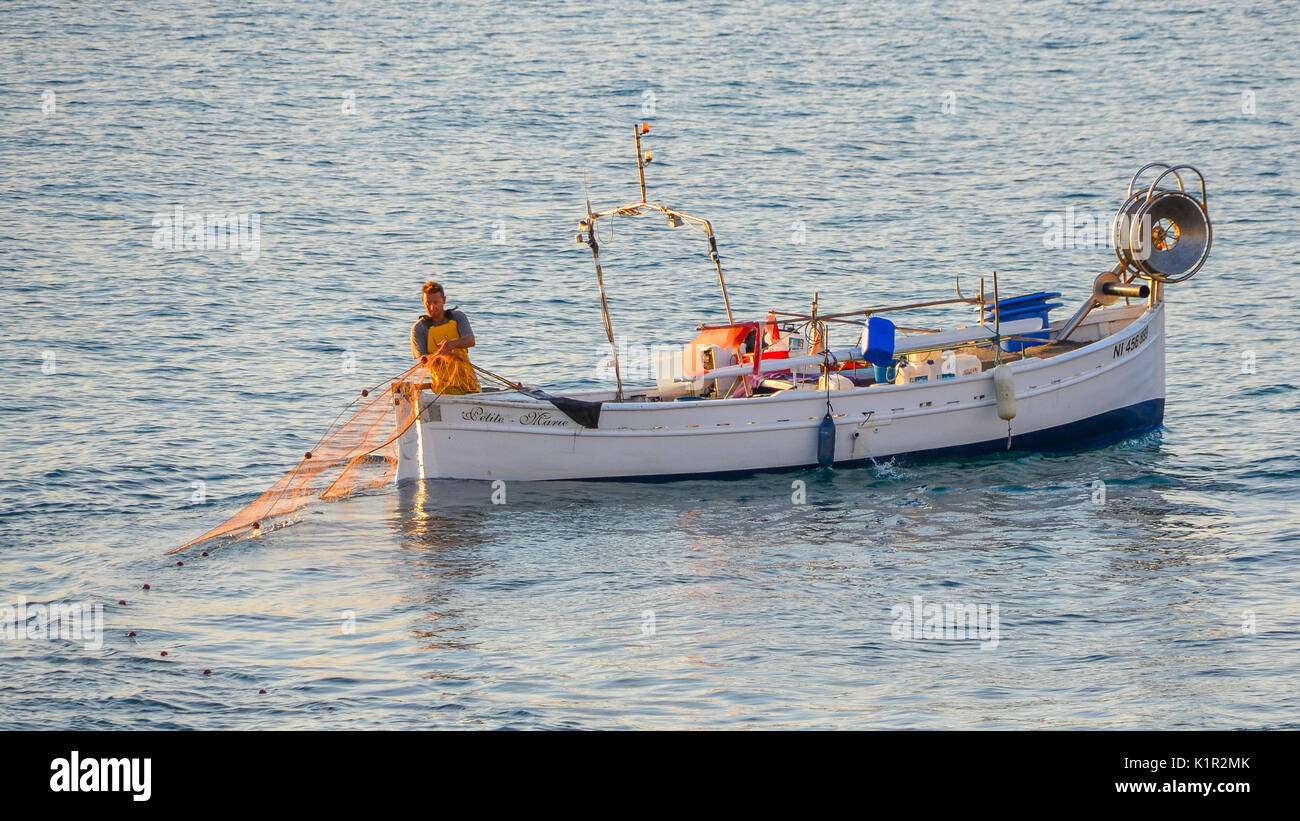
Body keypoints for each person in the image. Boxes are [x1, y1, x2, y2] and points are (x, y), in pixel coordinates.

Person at [410, 280, 480, 394]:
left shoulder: (457, 317)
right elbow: (423, 361)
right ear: (423, 301)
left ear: (444, 300)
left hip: (468, 381)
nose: (432, 307)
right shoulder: (419, 328)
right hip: (441, 386)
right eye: (428, 303)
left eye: (436, 302)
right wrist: (440, 357)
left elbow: (471, 340)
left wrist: (453, 344)